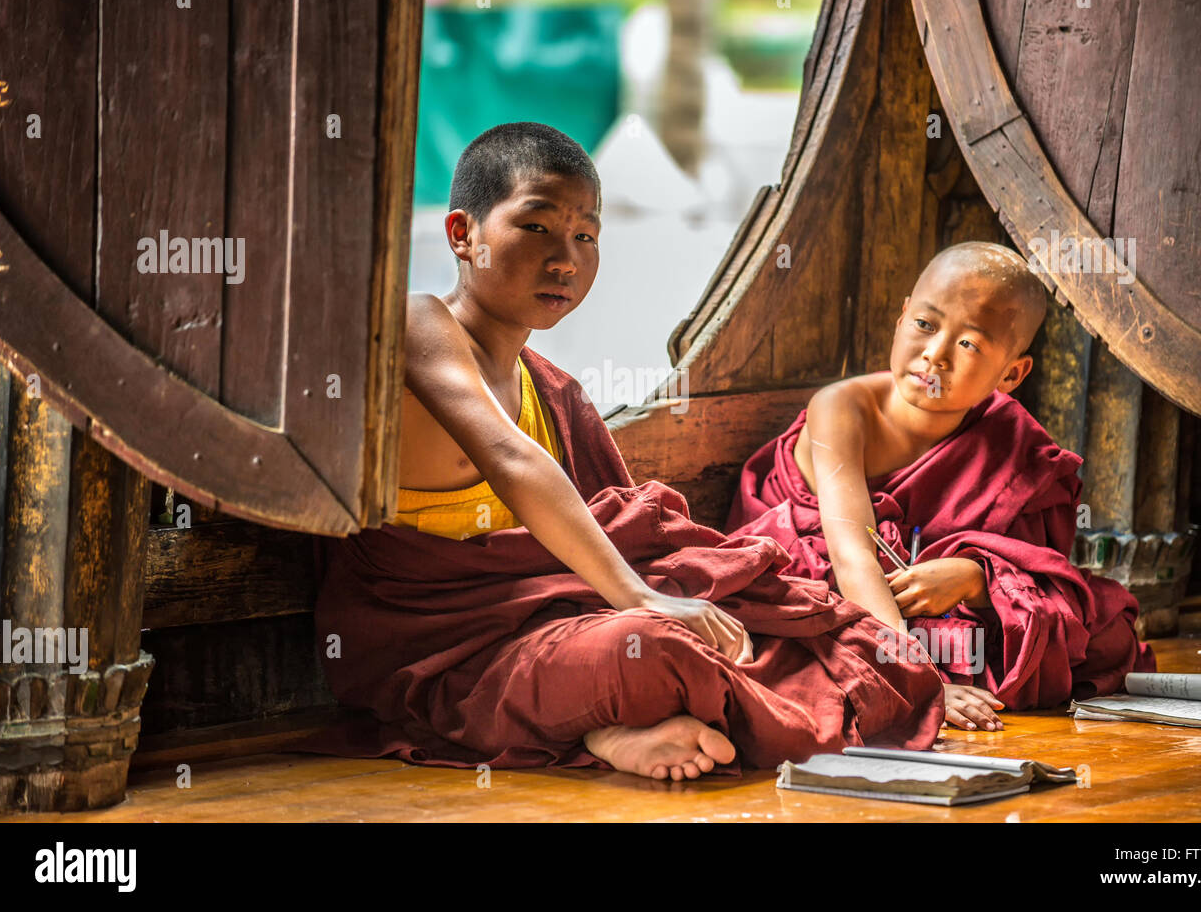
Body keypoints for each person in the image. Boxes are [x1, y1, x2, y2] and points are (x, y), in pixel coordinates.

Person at [301, 123, 944, 781]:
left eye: (586, 237)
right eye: (538, 227)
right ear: (462, 235)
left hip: (565, 616)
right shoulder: (419, 325)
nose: (566, 260)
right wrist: (643, 598)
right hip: (451, 650)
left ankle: (609, 728)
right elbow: (513, 461)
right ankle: (607, 729)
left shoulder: (549, 387)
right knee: (656, 649)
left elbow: (629, 533)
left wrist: (687, 588)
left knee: (849, 638)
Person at [726, 242, 1155, 733]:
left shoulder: (1009, 436)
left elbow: (1033, 568)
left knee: (1105, 632)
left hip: (927, 605)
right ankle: (908, 671)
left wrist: (977, 579)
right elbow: (852, 557)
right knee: (795, 639)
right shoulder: (842, 408)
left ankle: (925, 662)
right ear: (902, 316)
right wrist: (919, 679)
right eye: (925, 325)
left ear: (1011, 373)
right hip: (841, 589)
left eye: (969, 344)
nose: (935, 355)